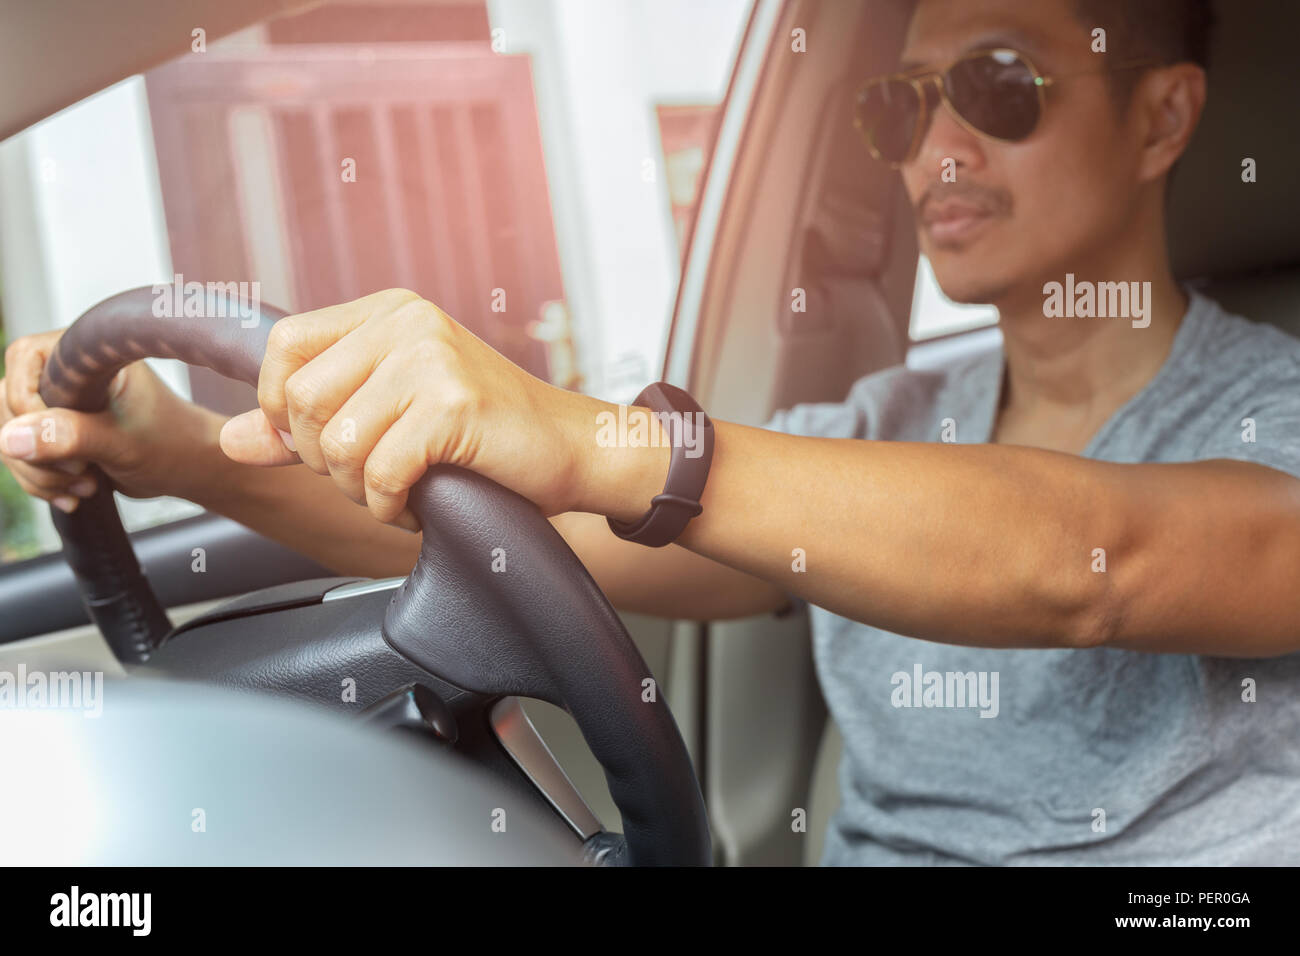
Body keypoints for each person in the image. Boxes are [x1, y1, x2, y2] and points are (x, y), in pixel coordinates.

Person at [3, 0, 1299, 864]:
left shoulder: (1270, 415)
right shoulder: (878, 428)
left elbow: (1100, 566)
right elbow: (515, 544)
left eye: (997, 86)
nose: (937, 149)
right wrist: (172, 453)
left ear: (1164, 118)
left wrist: (602, 439)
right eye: (900, 110)